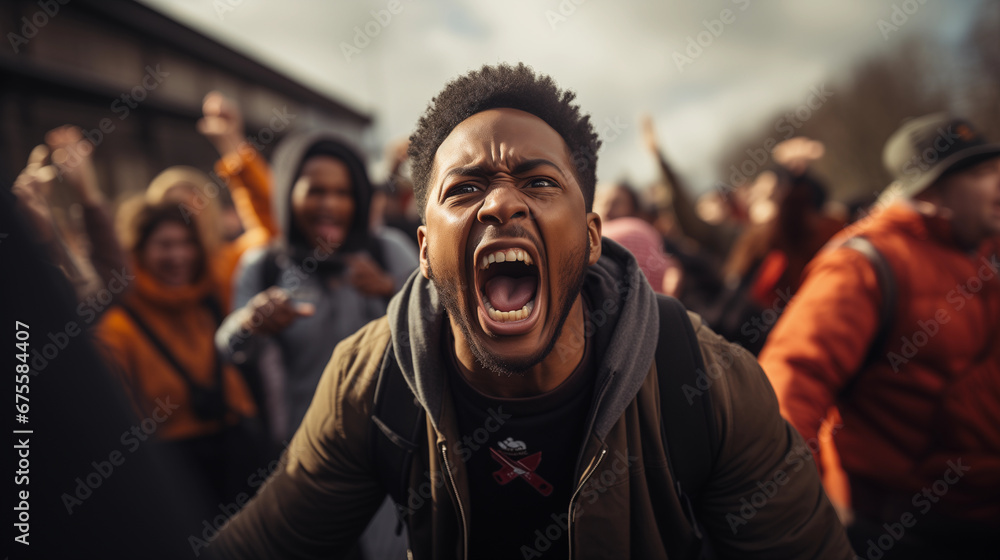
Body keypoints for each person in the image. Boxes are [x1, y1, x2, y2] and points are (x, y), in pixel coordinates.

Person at [213, 63, 852, 559]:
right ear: (426, 248)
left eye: (540, 181)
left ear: (594, 236)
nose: (499, 206)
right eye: (464, 189)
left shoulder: (706, 382)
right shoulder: (369, 380)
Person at [758, 113, 1000, 559]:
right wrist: (794, 524)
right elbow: (791, 383)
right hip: (910, 530)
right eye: (982, 174)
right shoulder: (862, 264)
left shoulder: (984, 253)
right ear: (931, 189)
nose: (999, 185)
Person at [94, 200, 260, 506]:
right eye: (165, 245)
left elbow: (268, 230)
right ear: (138, 251)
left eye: (187, 243)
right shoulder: (119, 327)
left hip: (239, 458)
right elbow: (112, 422)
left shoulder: (212, 298)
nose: (178, 256)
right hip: (177, 477)